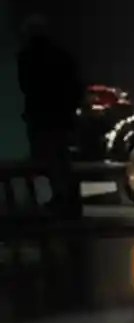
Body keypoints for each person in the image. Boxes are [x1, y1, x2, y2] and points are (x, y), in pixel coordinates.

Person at [17, 15, 83, 219]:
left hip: (41, 117)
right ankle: (69, 200)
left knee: (46, 160)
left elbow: (26, 86)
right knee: (62, 159)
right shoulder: (62, 56)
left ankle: (55, 199)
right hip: (61, 117)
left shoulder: (27, 57)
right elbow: (75, 86)